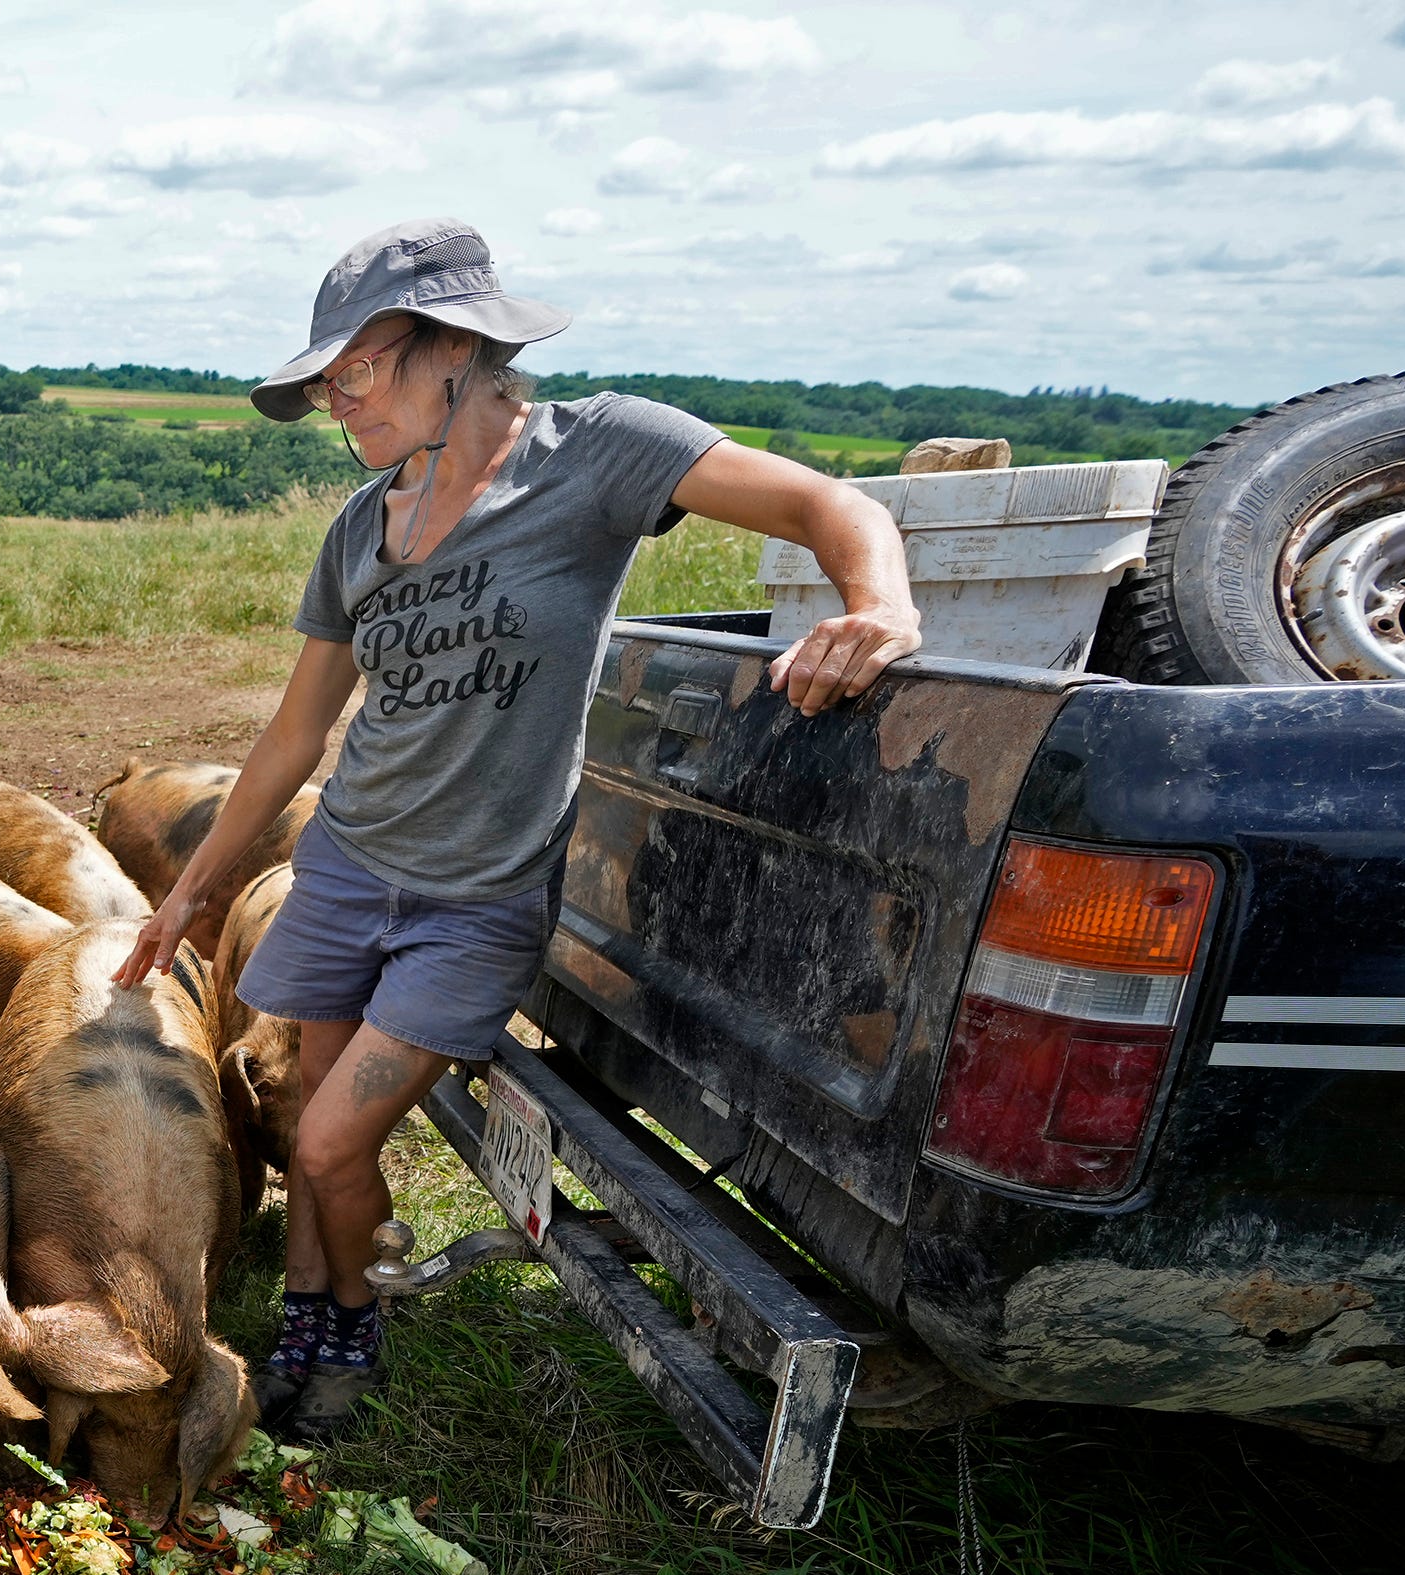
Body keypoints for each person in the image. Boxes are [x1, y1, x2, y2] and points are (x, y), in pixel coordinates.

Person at [121, 218, 921, 1438]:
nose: (340, 404)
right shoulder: (360, 528)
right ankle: (325, 1309)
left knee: (334, 1143)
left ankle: (352, 1307)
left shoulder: (596, 452)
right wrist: (191, 892)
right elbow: (295, 737)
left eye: (357, 371)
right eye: (324, 383)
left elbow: (825, 501)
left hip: (473, 900)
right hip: (344, 863)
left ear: (454, 346)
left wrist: (880, 604)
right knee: (313, 1115)